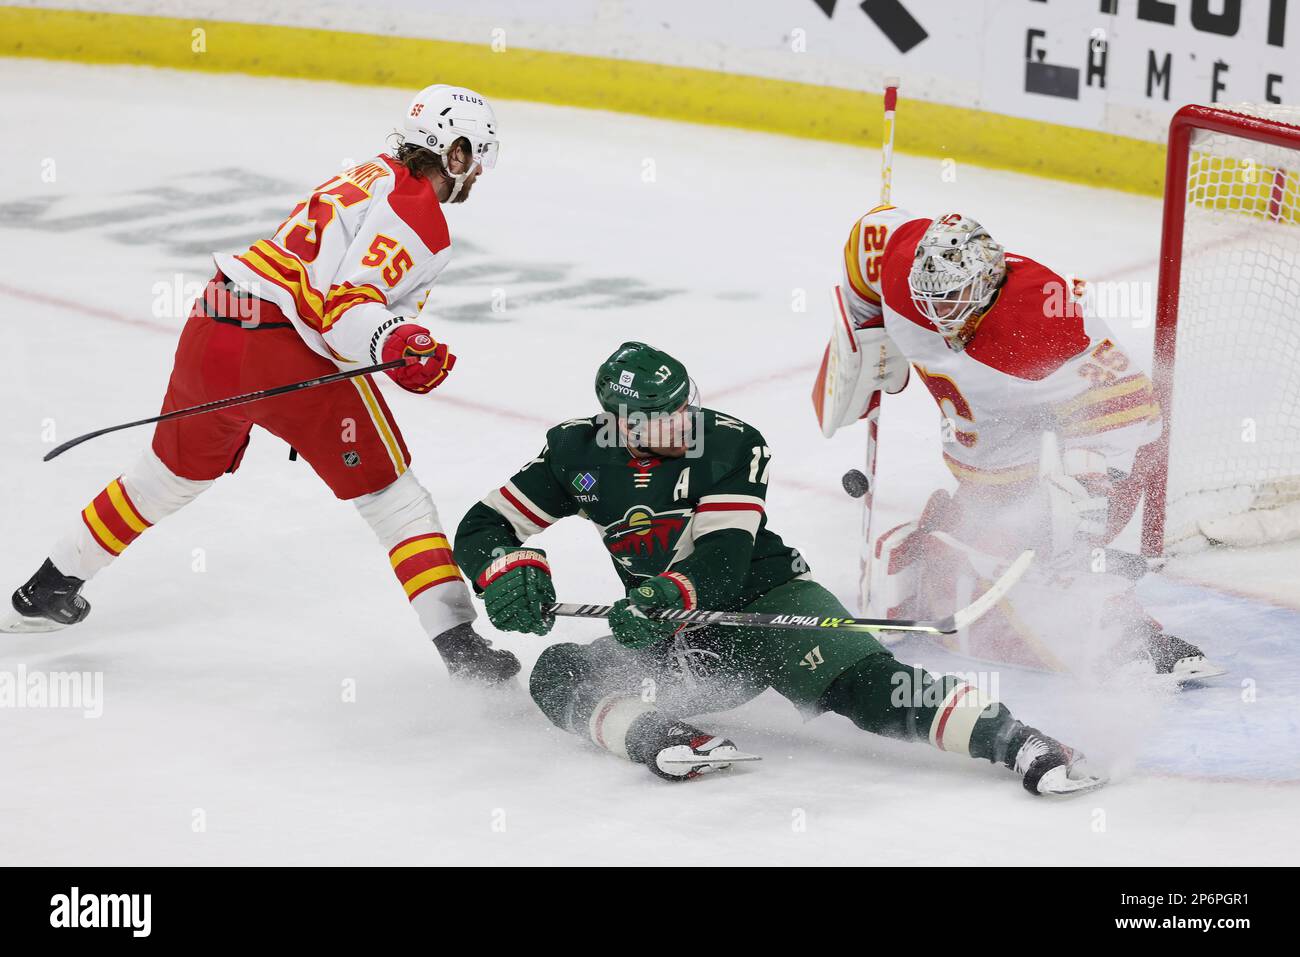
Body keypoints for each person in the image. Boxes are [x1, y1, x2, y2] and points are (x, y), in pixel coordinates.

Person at [4, 84, 519, 684]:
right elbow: (346, 312)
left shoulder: (368, 174)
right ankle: (461, 651)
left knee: (165, 478)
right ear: (453, 153)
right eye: (474, 156)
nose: (477, 172)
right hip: (285, 349)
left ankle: (47, 588)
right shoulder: (417, 212)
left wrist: (389, 334)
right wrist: (398, 342)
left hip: (216, 323)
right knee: (394, 499)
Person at [453, 341, 1104, 794]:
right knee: (557, 668)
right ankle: (657, 735)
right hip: (686, 646)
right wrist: (503, 565)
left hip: (764, 599)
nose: (687, 423)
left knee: (872, 687)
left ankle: (1018, 740)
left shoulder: (732, 444)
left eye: (688, 405)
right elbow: (483, 526)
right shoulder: (576, 452)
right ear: (620, 424)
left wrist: (660, 597)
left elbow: (722, 562)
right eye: (666, 418)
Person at [812, 206, 1224, 680]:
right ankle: (941, 543)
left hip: (1079, 426)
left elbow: (1129, 415)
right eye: (929, 300)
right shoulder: (901, 267)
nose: (937, 314)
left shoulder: (1044, 319)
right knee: (994, 537)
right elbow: (871, 234)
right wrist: (864, 328)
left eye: (952, 299)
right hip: (984, 439)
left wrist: (1091, 491)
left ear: (989, 282)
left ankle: (1126, 633)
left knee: (1061, 539)